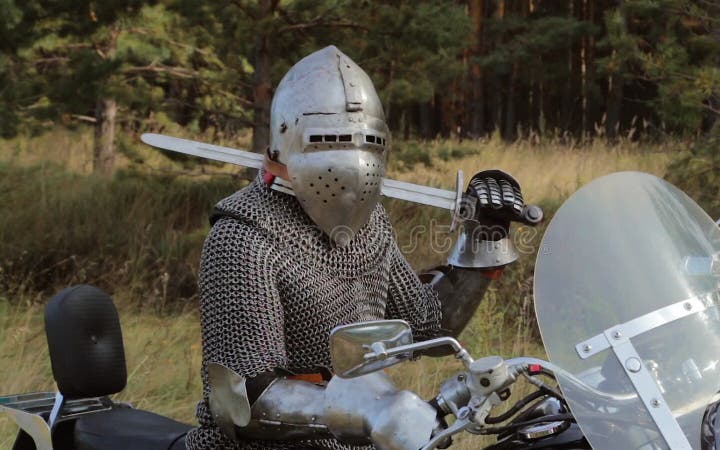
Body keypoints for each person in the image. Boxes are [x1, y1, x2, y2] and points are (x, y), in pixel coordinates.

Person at [185, 45, 528, 450]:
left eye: (369, 142)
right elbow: (243, 402)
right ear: (287, 137)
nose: (354, 164)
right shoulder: (242, 237)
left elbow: (430, 326)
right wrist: (371, 411)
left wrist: (484, 236)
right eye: (329, 140)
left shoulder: (371, 224)